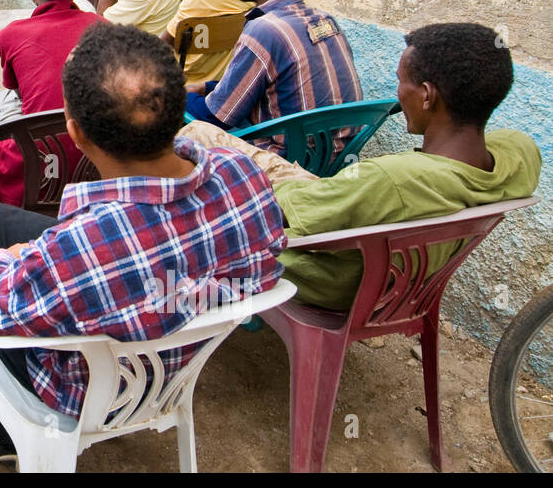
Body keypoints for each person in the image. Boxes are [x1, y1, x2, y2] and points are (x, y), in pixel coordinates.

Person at [0, 22, 286, 463]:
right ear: (176, 112)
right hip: (171, 366)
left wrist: (9, 259)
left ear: (75, 134)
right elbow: (267, 265)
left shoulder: (78, 253)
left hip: (83, 389)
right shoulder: (243, 177)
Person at [181, 22, 541, 310]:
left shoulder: (393, 180)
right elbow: (342, 198)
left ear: (428, 96)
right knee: (202, 133)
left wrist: (243, 173)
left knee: (197, 145)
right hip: (376, 256)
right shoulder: (518, 156)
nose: (398, 93)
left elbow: (290, 208)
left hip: (331, 274)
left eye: (402, 81)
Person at [185, 0, 362, 143]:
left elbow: (215, 117)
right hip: (337, 157)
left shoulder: (263, 30)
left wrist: (176, 95)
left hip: (290, 161)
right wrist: (206, 87)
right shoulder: (325, 20)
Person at [0, 0, 104, 206]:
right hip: (94, 166)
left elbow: (16, 90)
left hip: (32, 171)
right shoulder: (104, 27)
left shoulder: (10, 34)